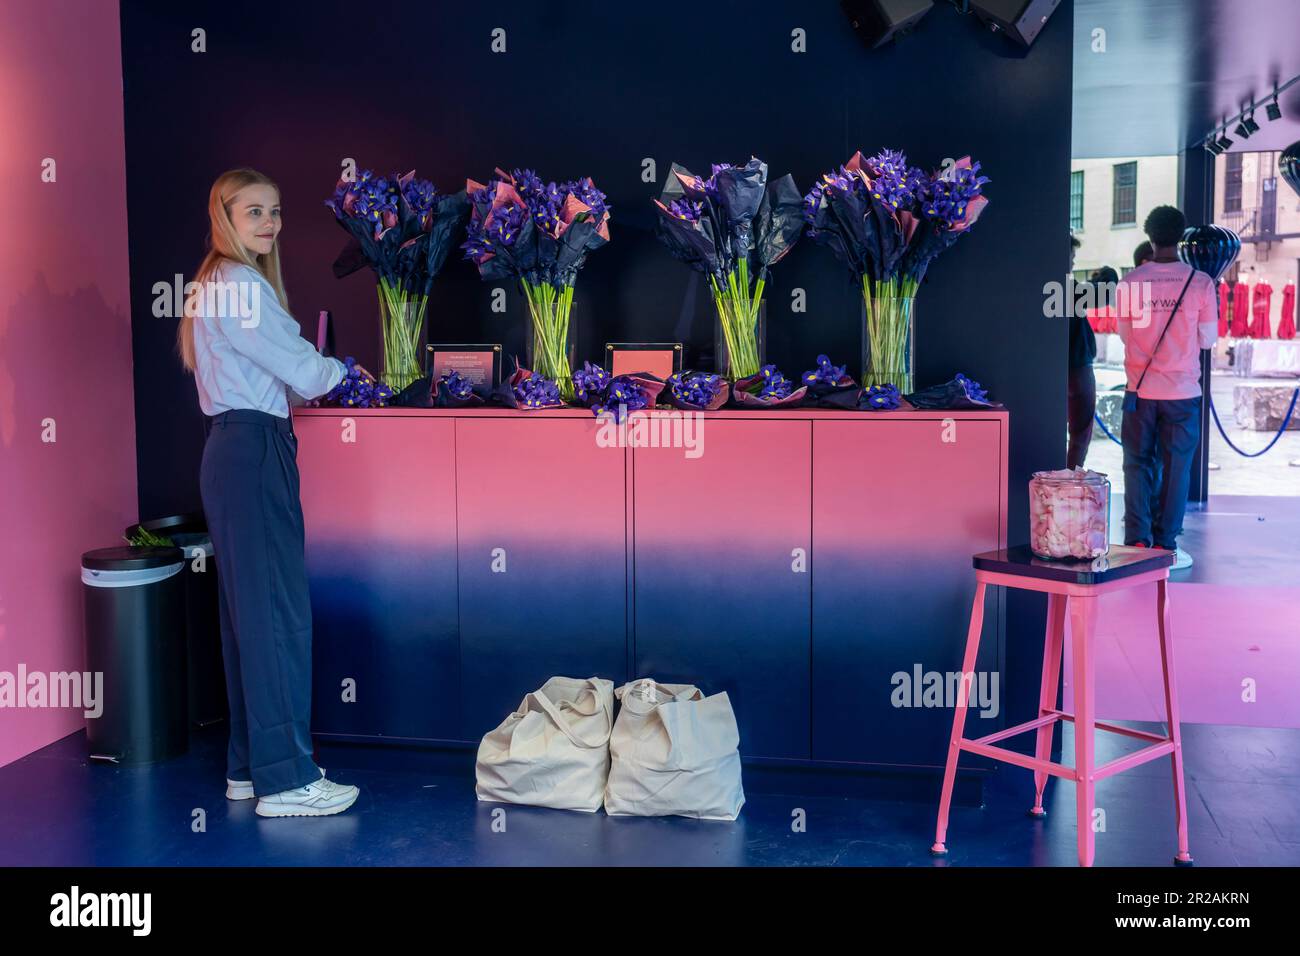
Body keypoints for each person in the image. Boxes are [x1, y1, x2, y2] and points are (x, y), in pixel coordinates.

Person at [177, 168, 360, 817]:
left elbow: (274, 376)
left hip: (230, 451)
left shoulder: (210, 285)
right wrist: (348, 371)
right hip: (254, 452)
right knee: (276, 616)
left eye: (276, 211)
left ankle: (251, 769)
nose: (270, 223)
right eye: (254, 211)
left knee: (247, 620)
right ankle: (288, 783)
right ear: (224, 214)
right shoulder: (241, 286)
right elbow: (307, 373)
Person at [1115, 206, 1217, 570]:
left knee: (1136, 464)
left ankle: (1137, 538)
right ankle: (1164, 544)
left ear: (1150, 235)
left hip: (1140, 391)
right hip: (1183, 392)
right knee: (1177, 468)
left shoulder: (1130, 283)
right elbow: (1207, 340)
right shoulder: (1200, 283)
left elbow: (1125, 334)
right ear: (1181, 237)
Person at [1067, 234, 1097, 468]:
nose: (1073, 262)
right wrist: (1106, 273)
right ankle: (1069, 478)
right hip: (1078, 368)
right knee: (1081, 433)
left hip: (1050, 369)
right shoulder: (1066, 287)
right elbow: (1105, 291)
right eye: (1072, 256)